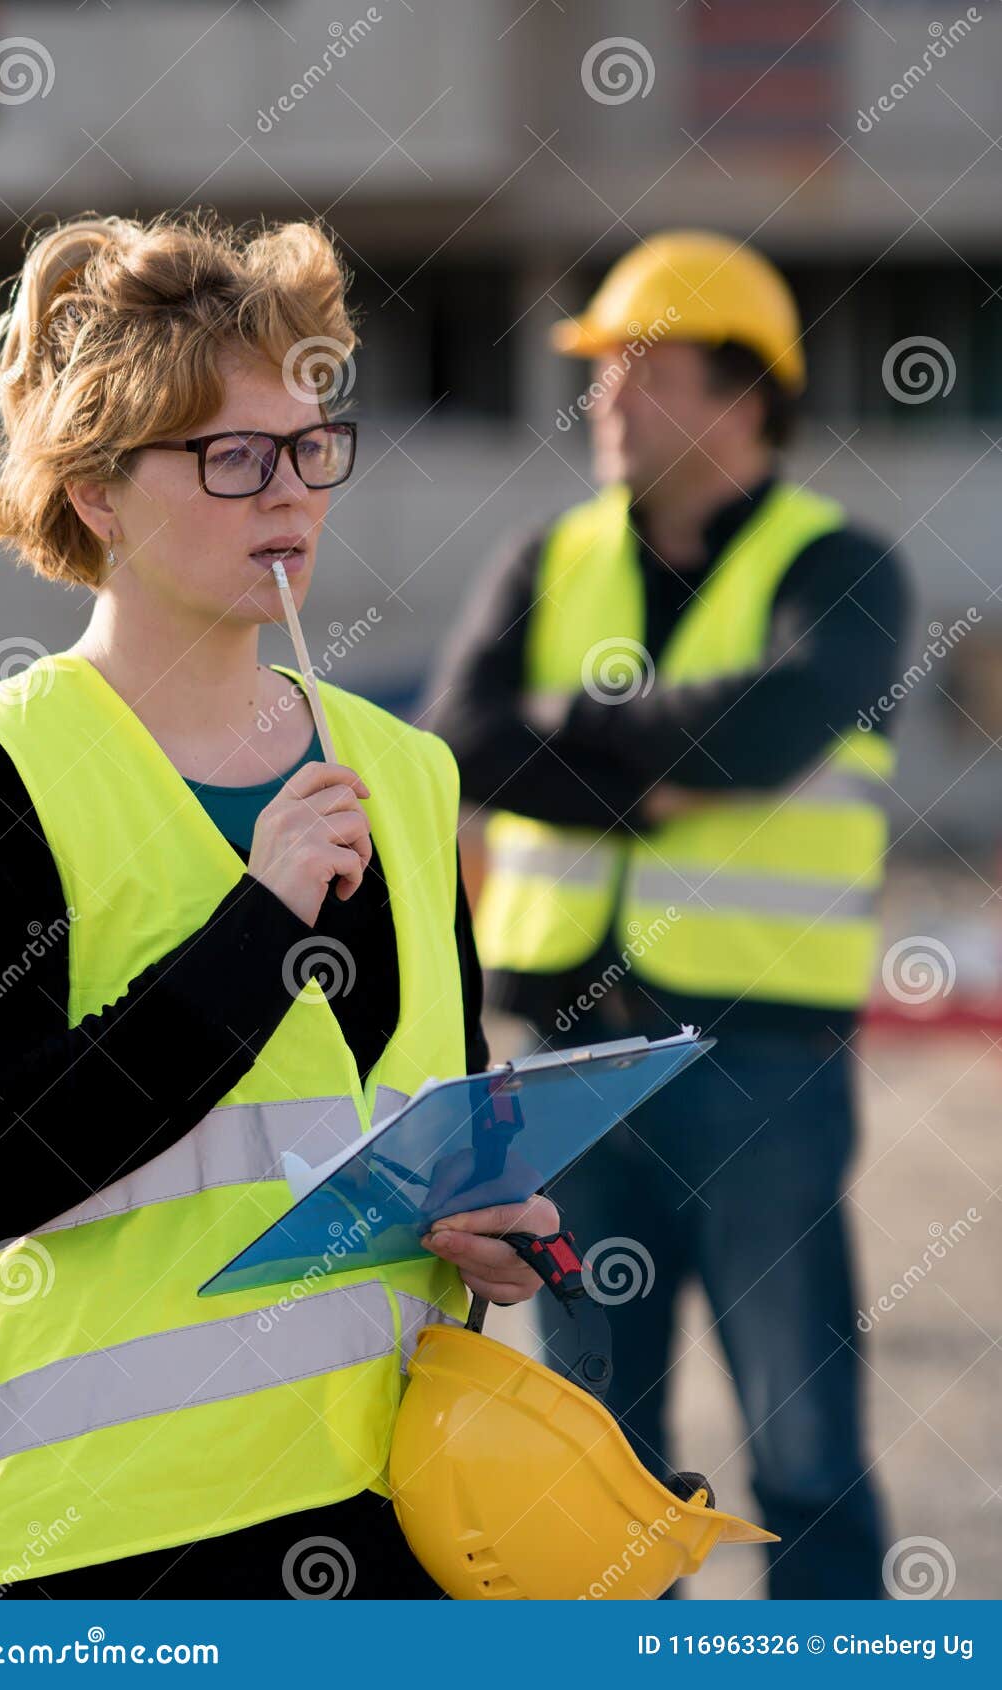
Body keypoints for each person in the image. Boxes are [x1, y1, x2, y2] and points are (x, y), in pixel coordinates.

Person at [0, 211, 557, 1601]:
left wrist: (486, 1215)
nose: (288, 494)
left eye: (309, 448)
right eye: (231, 458)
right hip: (100, 1543)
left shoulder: (402, 769)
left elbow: (423, 1107)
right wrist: (261, 919)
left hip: (393, 1507)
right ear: (97, 491)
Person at [427, 230, 912, 1599]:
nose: (602, 401)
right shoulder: (549, 555)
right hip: (563, 1077)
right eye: (598, 375)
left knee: (803, 1446)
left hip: (760, 1067)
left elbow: (769, 730)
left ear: (743, 391)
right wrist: (656, 785)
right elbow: (458, 738)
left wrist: (569, 734)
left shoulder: (847, 570)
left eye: (637, 371)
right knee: (590, 1460)